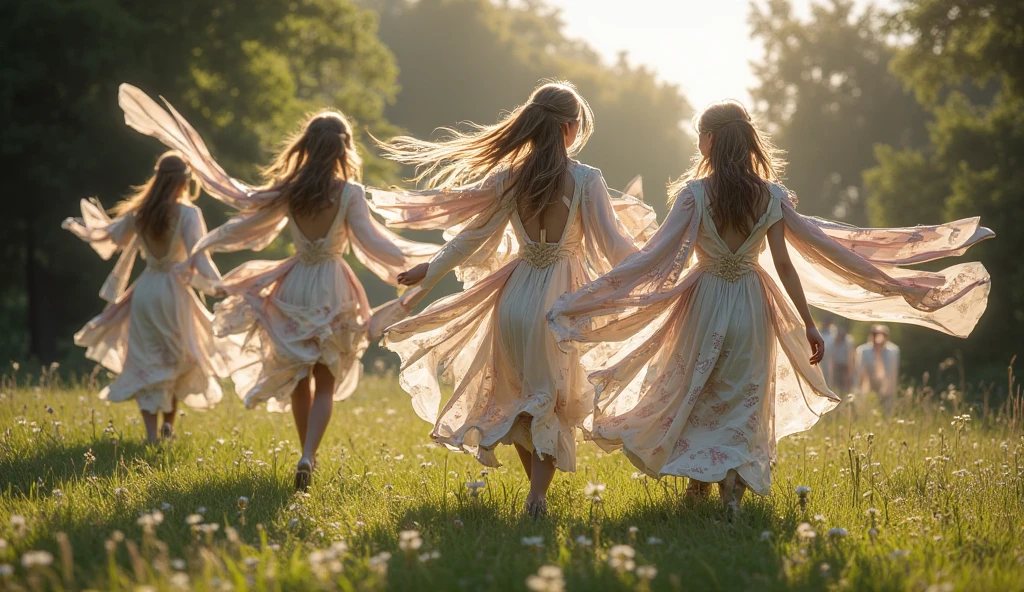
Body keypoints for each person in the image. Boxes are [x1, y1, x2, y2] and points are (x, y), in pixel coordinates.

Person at [549, 100, 992, 514]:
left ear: (709, 141)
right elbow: (789, 262)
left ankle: (697, 488)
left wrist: (592, 297)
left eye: (699, 135)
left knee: (700, 389)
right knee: (744, 396)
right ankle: (730, 497)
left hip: (703, 303)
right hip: (753, 305)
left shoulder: (694, 195)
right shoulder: (770, 196)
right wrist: (808, 323)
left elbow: (660, 258)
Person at [117, 84, 438, 489]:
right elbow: (374, 243)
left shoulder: (290, 190)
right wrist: (416, 266)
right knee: (326, 379)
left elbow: (246, 218)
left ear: (306, 146)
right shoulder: (349, 193)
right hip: (332, 286)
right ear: (344, 149)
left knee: (299, 378)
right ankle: (308, 455)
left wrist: (210, 242)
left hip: (294, 284)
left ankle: (304, 451)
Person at [371, 81, 657, 517]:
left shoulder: (509, 178)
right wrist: (660, 267)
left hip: (515, 297)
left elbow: (471, 238)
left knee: (523, 398)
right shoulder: (584, 179)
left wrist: (430, 269)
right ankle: (537, 498)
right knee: (549, 399)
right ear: (568, 127)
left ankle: (535, 495)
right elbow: (615, 245)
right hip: (561, 302)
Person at [64, 151, 235, 443]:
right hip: (174, 293)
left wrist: (82, 229)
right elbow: (200, 255)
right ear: (184, 182)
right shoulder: (188, 214)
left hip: (145, 291)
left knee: (147, 361)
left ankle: (152, 434)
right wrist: (219, 285)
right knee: (176, 357)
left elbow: (110, 238)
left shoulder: (139, 213)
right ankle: (168, 427)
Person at [854, 324, 901, 406]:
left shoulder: (893, 352)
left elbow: (893, 373)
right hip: (868, 389)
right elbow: (859, 372)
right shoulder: (863, 351)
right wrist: (858, 390)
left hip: (887, 391)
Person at [828, 321, 856, 395]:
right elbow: (832, 356)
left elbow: (850, 357)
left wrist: (850, 371)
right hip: (836, 366)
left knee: (845, 387)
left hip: (845, 367)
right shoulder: (834, 341)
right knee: (836, 386)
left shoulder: (848, 341)